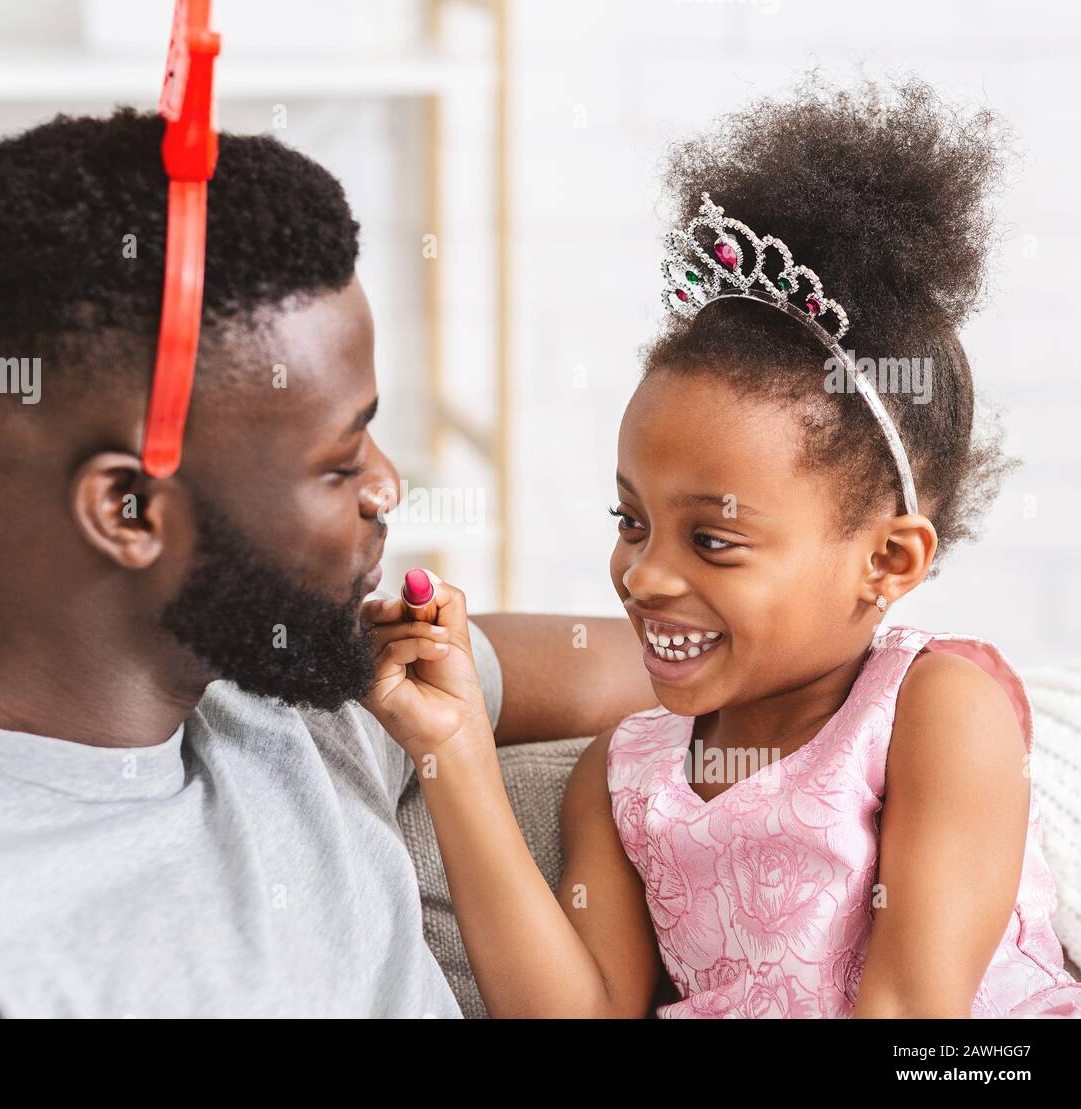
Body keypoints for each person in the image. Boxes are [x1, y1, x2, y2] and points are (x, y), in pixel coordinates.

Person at [0, 110, 657, 1018]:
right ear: (129, 510)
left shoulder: (306, 692)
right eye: (341, 460)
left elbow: (689, 662)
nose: (387, 487)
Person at [362, 74, 1081, 1018]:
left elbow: (914, 1015)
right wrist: (451, 747)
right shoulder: (621, 775)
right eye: (631, 522)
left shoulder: (937, 711)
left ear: (888, 561)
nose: (644, 574)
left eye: (713, 538)